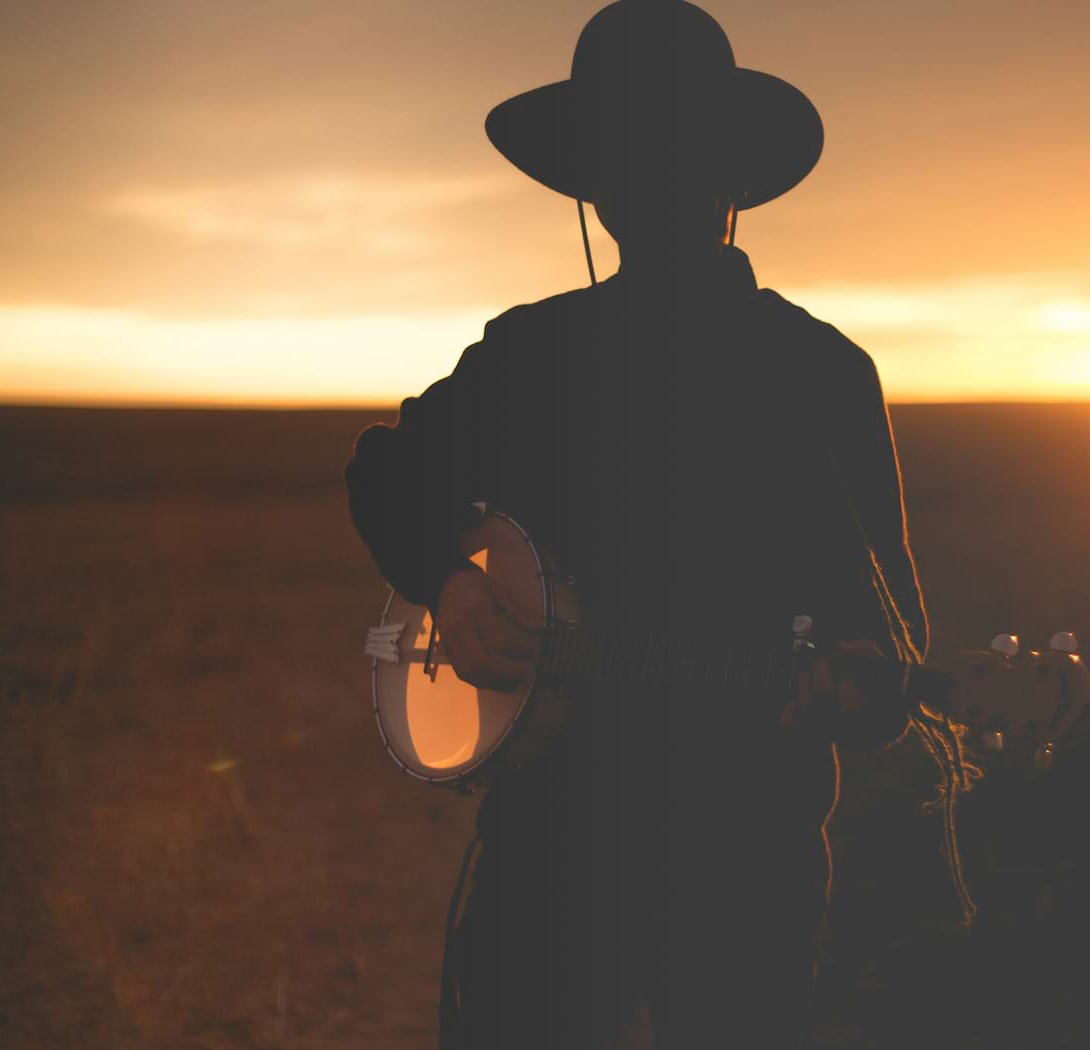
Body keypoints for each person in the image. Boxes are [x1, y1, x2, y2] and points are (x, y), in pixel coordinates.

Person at [345, 2, 934, 1046]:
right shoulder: (530, 356)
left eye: (672, 152)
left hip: (739, 863)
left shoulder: (815, 376)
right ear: (599, 188)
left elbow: (888, 661)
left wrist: (851, 680)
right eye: (627, 155)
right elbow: (389, 471)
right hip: (550, 855)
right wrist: (455, 579)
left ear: (727, 178)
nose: (648, 181)